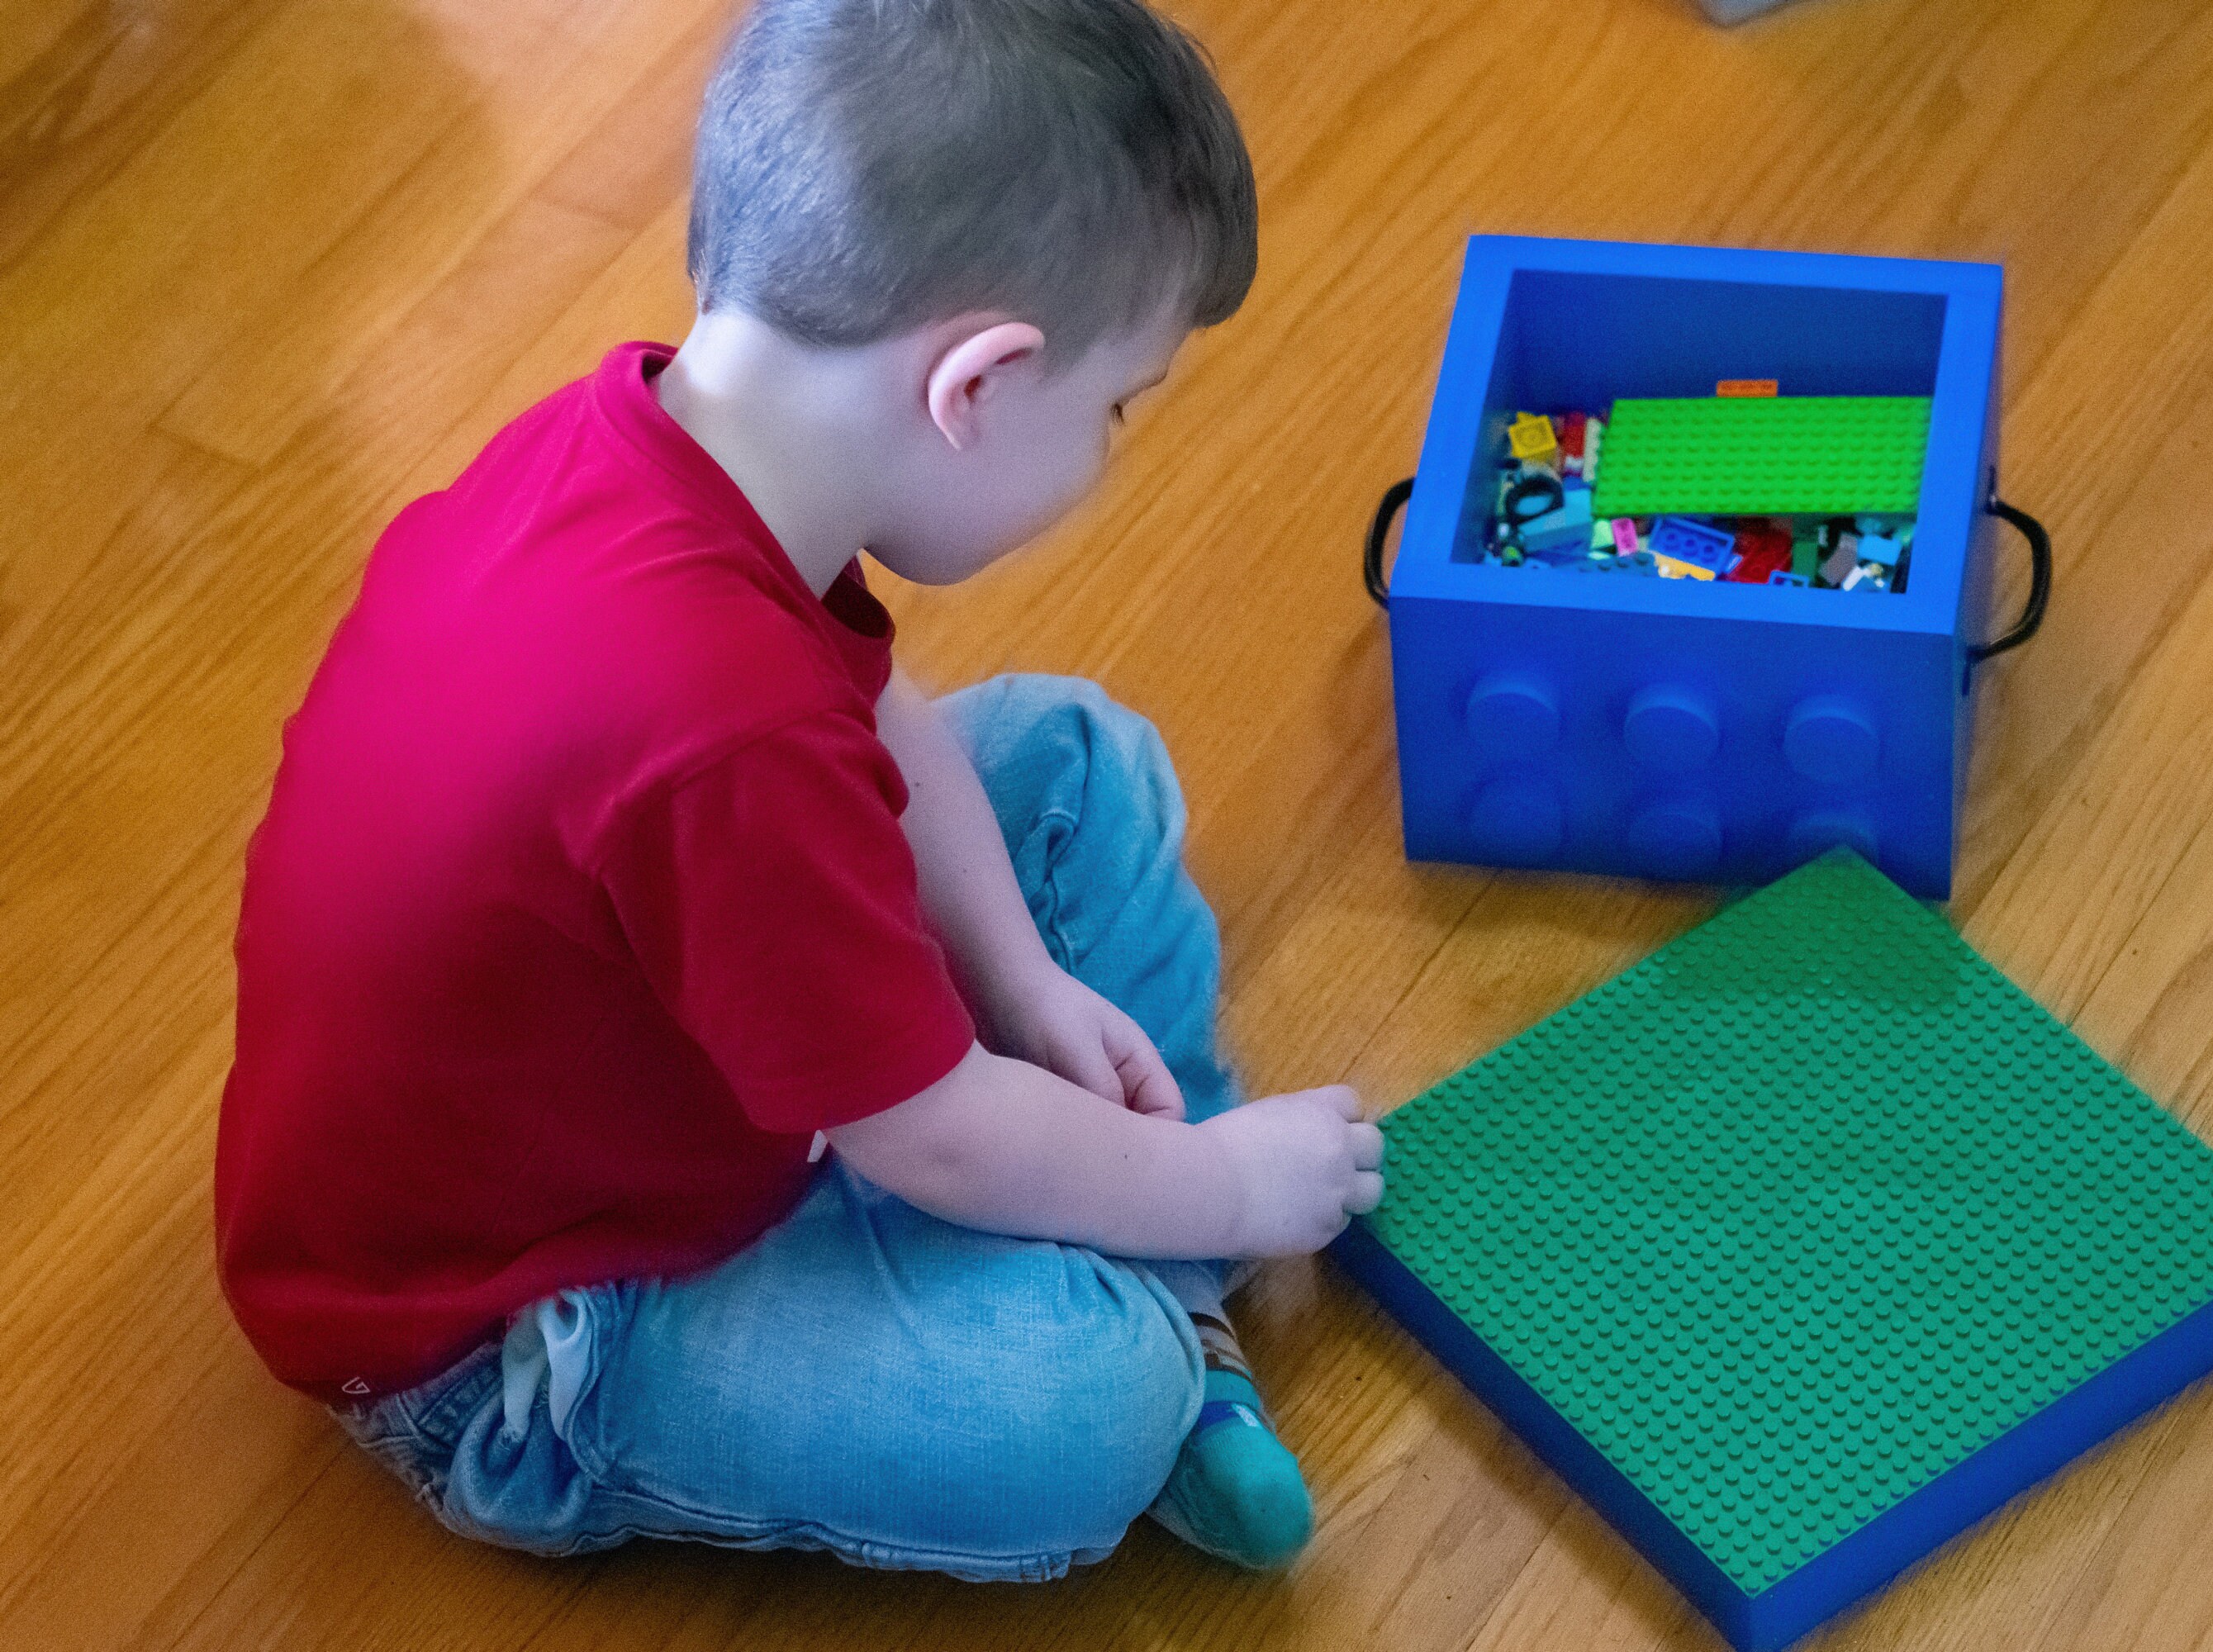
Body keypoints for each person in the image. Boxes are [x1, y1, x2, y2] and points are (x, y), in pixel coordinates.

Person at [213, 0, 1384, 1582]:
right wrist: (1223, 1180)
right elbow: (932, 1138)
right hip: (525, 1325)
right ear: (978, 384)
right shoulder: (716, 731)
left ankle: (1144, 1247)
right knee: (1073, 1413)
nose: (1115, 445)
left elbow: (873, 700)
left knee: (1069, 755)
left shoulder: (660, 436)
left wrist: (1023, 982)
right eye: (1117, 407)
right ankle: (1163, 1285)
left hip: (675, 1057)